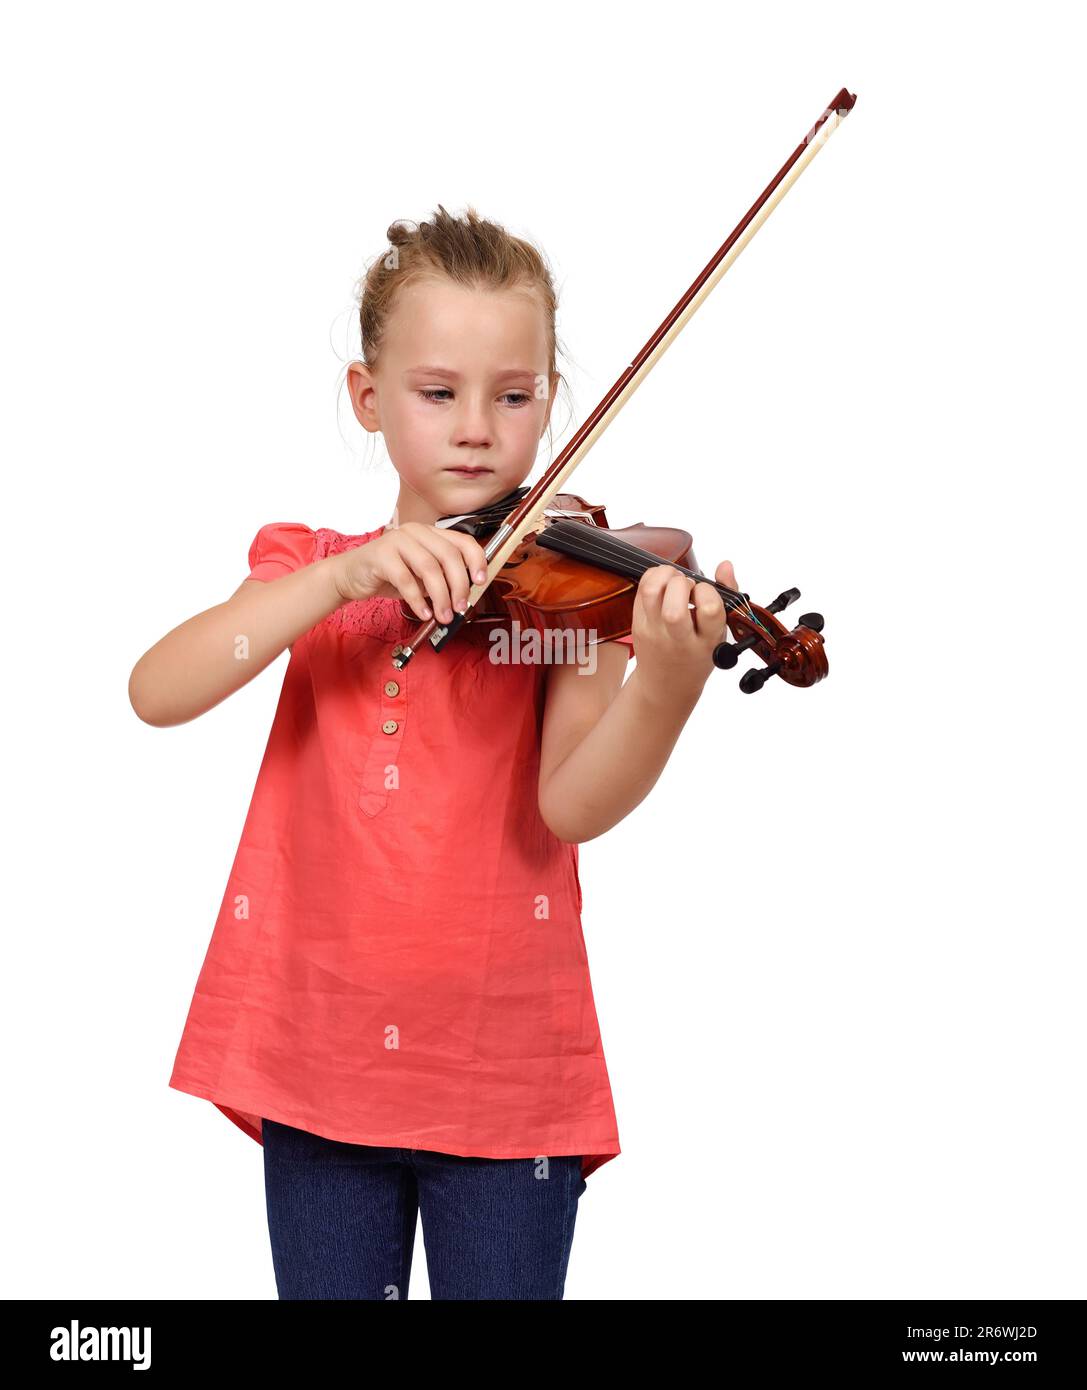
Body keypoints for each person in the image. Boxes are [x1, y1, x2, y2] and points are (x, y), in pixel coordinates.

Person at [128, 204, 737, 1300]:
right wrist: (335, 582)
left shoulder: (569, 593)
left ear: (551, 397)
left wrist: (670, 686)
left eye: (513, 394)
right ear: (369, 397)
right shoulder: (308, 568)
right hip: (316, 1062)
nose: (475, 429)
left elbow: (574, 805)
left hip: (503, 1081)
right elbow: (158, 689)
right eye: (437, 391)